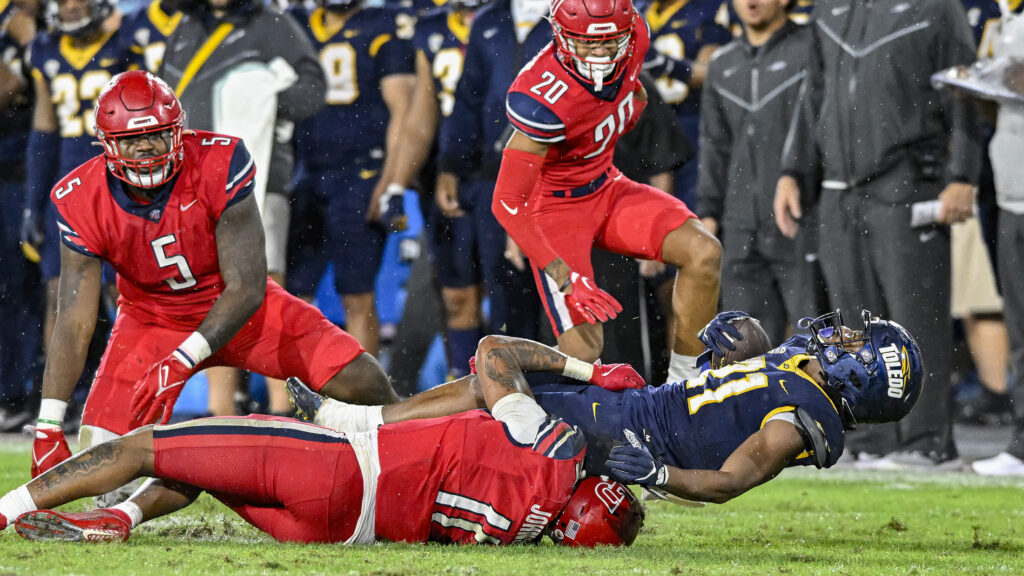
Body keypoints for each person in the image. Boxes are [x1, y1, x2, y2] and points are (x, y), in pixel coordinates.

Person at [29, 71, 398, 500]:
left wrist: (184, 359)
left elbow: (247, 286)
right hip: (151, 320)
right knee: (102, 466)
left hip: (238, 310)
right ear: (106, 144)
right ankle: (156, 490)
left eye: (156, 135)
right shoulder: (79, 197)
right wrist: (48, 424)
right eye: (132, 140)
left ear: (178, 132)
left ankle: (413, 446)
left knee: (361, 380)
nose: (145, 147)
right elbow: (74, 321)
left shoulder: (219, 160)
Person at [0, 335, 644, 548]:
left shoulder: (551, 448)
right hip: (334, 531)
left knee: (147, 443)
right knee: (215, 461)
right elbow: (474, 395)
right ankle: (118, 517)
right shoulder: (527, 531)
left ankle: (8, 509)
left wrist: (588, 372)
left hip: (333, 472)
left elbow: (493, 355)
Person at [292, 309, 924, 503]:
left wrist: (652, 474)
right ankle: (347, 423)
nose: (838, 336)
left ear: (860, 373)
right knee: (487, 374)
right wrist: (737, 355)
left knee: (491, 360)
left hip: (619, 429)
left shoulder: (798, 422)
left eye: (853, 343)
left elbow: (730, 481)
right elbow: (720, 400)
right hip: (630, 402)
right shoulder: (792, 376)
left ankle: (348, 436)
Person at [774, 0, 981, 469]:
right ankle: (873, 440)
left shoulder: (936, 7)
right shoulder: (828, 10)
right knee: (853, 326)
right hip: (839, 189)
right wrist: (791, 170)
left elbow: (962, 91)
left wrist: (963, 173)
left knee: (915, 317)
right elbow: (813, 95)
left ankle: (927, 441)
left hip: (909, 179)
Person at [493, 0, 721, 384]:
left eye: (608, 42)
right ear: (561, 36)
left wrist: (628, 110)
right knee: (583, 352)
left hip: (607, 186)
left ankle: (686, 387)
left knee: (704, 251)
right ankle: (526, 419)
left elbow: (634, 93)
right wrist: (566, 277)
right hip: (554, 211)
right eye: (585, 43)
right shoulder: (541, 95)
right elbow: (506, 201)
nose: (599, 53)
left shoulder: (636, 40)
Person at [158, 0, 326, 417]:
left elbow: (313, 91)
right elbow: (166, 100)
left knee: (265, 284)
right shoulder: (185, 27)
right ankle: (221, 414)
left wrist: (257, 97)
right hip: (195, 182)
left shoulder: (273, 24)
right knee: (211, 289)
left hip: (258, 176)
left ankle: (287, 409)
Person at [286, 0, 415, 359]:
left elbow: (404, 110)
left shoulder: (384, 24)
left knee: (356, 293)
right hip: (305, 172)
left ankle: (366, 401)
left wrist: (389, 181)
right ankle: (293, 397)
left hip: (361, 172)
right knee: (292, 293)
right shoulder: (295, 23)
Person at [696, 0, 822, 343]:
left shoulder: (813, 46)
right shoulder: (722, 64)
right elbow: (714, 147)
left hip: (802, 219)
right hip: (739, 229)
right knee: (745, 350)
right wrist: (708, 214)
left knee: (817, 343)